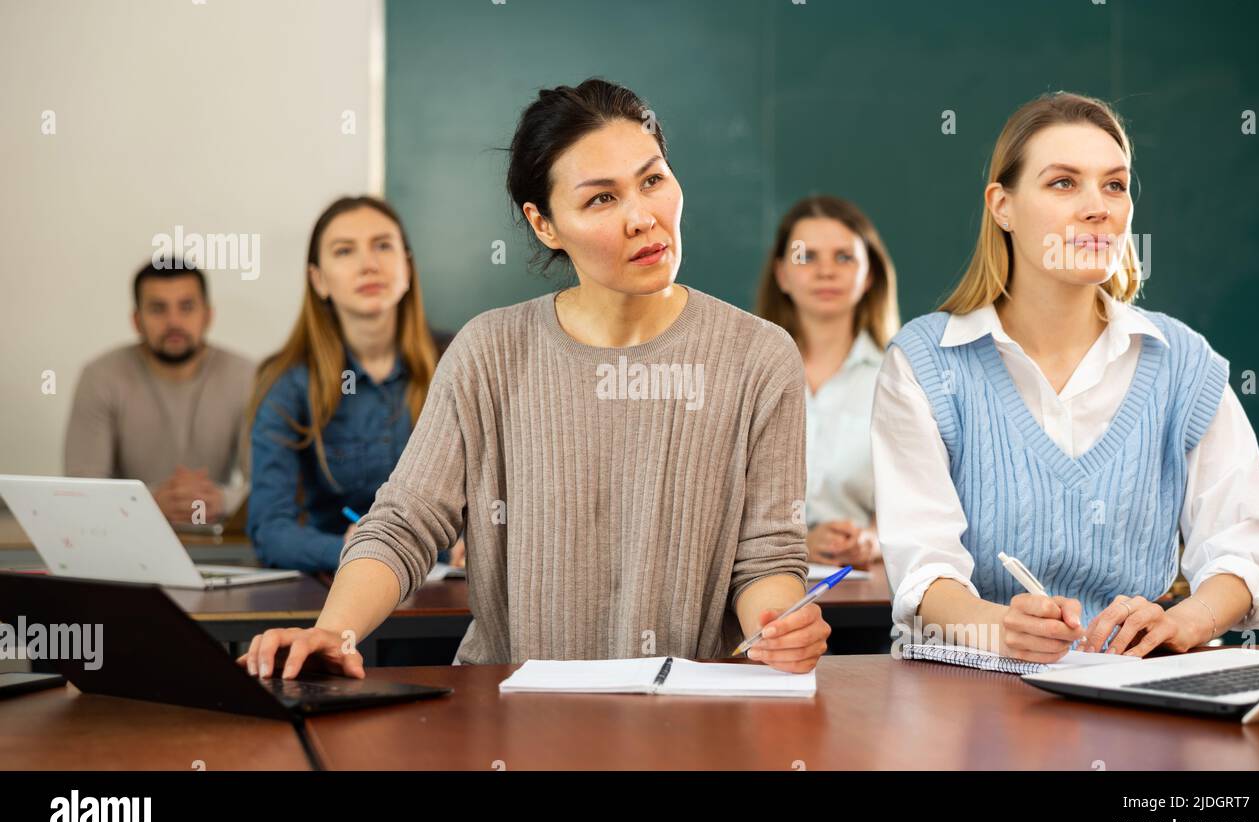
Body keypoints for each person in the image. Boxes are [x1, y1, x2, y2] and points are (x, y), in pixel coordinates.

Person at [239, 78, 830, 679]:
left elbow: (766, 557)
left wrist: (779, 625)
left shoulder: (759, 355)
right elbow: (406, 522)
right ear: (544, 224)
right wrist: (331, 632)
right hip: (510, 716)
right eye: (601, 199)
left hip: (684, 713)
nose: (642, 217)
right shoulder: (488, 352)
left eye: (652, 180)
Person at [872, 92, 1259, 662]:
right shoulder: (923, 363)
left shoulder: (1182, 362)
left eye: (1115, 185)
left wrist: (1183, 621)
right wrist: (999, 627)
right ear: (1003, 206)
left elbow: (1246, 546)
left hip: (1133, 695)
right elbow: (923, 571)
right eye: (1063, 182)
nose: (1098, 207)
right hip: (969, 702)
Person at [246, 196, 440, 572]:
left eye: (383, 246)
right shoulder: (287, 383)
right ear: (319, 280)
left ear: (407, 267)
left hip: (442, 587)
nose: (368, 265)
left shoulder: (459, 362)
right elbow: (270, 532)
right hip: (337, 589)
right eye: (344, 251)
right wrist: (356, 548)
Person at [757, 195, 899, 569]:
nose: (825, 271)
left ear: (868, 275)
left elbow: (919, 496)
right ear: (782, 274)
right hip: (762, 587)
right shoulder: (749, 377)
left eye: (843, 257)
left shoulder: (899, 379)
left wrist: (872, 540)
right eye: (806, 257)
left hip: (868, 591)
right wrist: (799, 540)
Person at [65, 261, 253, 525]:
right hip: (126, 534)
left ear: (208, 315)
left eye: (186, 307)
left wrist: (221, 500)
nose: (173, 321)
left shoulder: (247, 376)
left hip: (219, 540)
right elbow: (80, 490)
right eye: (157, 309)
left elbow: (272, 486)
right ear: (136, 320)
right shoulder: (100, 376)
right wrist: (148, 503)